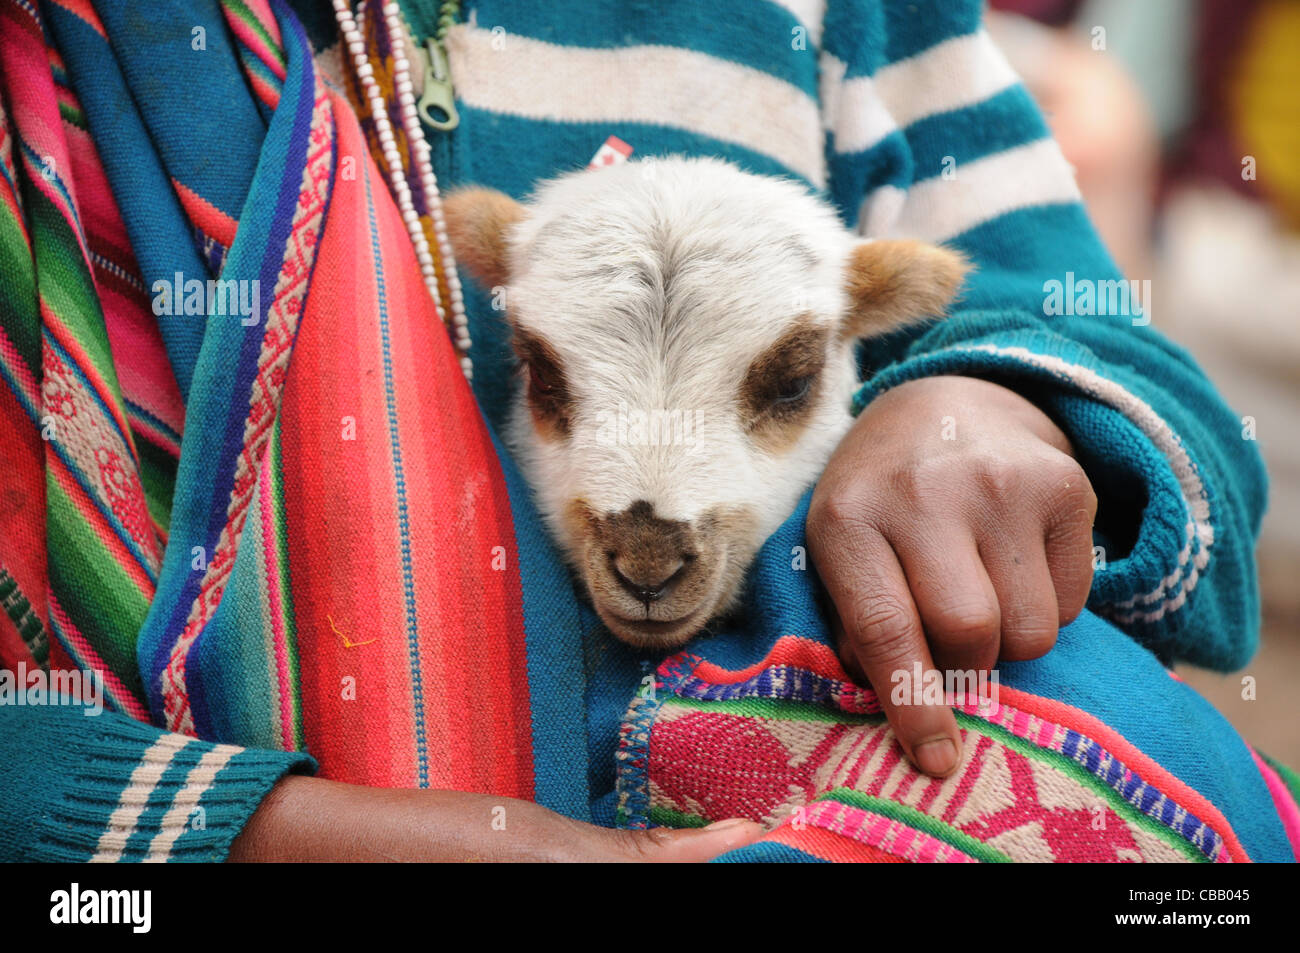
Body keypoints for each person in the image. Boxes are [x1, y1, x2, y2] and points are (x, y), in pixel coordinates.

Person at [0, 0, 1294, 863]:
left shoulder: (823, 19)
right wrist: (280, 828)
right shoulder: (56, 67)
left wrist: (986, 401)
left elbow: (1126, 369)